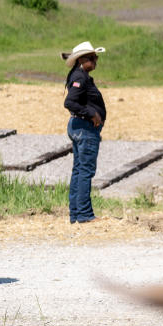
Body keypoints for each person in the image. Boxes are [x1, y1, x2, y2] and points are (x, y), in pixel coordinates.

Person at [62, 41, 106, 224]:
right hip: (84, 128)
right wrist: (92, 114)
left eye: (96, 57)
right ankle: (84, 215)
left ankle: (76, 214)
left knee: (79, 170)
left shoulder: (79, 74)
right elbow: (70, 102)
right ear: (82, 59)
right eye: (92, 58)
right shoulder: (80, 77)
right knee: (85, 171)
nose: (95, 61)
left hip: (80, 126)